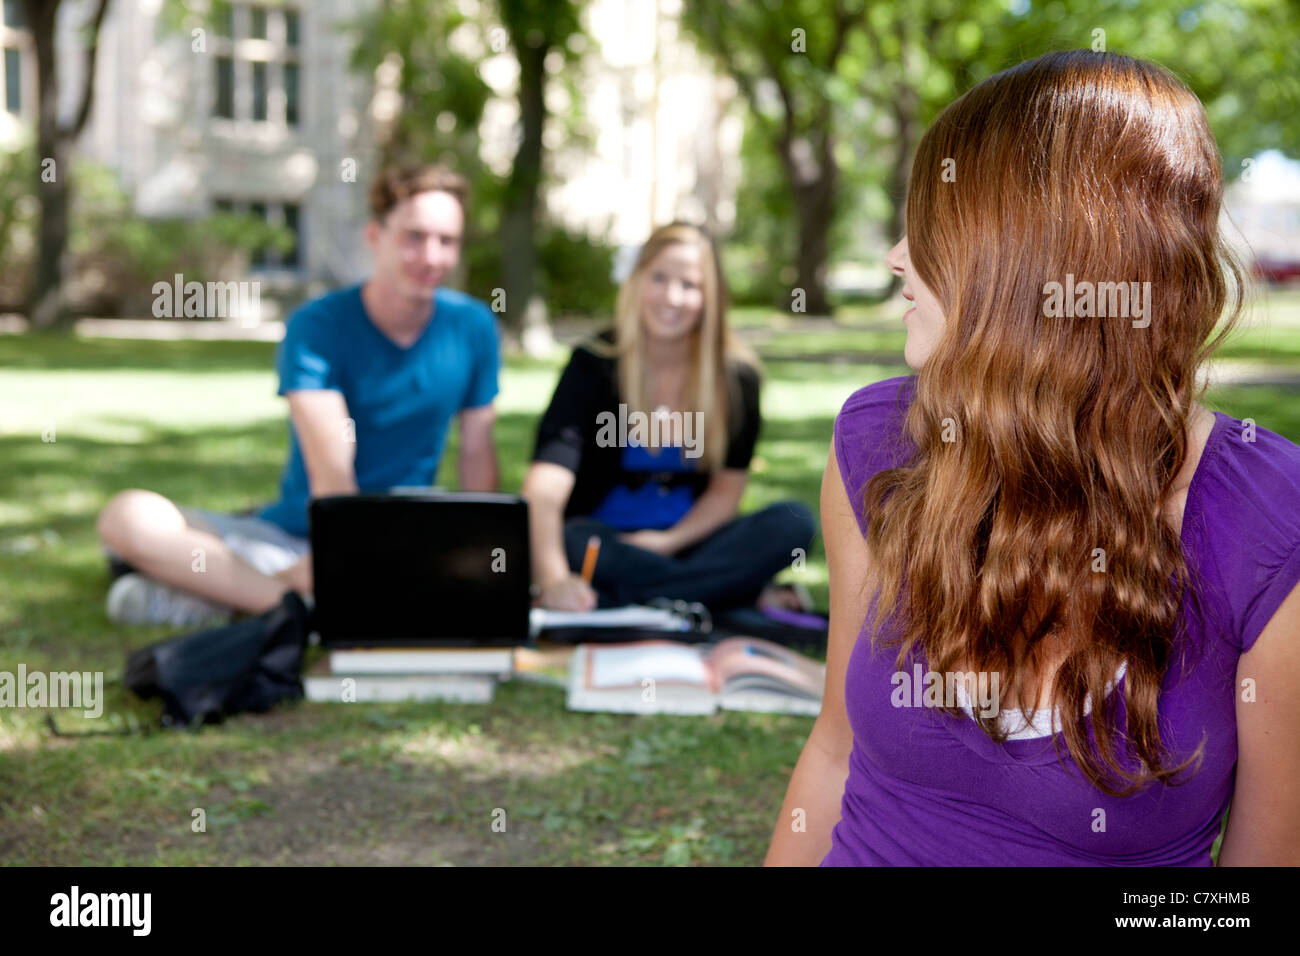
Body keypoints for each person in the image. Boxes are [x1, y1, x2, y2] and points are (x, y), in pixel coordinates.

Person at [765, 50, 1300, 866]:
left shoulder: (1266, 520)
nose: (895, 258)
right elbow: (835, 752)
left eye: (932, 230)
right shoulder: (879, 440)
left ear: (1032, 265)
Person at [97, 164, 502, 627]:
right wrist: (336, 561)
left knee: (427, 555)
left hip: (407, 534)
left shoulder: (472, 327)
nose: (431, 256)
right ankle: (291, 601)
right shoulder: (318, 325)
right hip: (301, 534)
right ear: (375, 235)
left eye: (446, 241)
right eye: (414, 236)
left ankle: (241, 597)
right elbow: (333, 470)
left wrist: (481, 553)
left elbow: (477, 459)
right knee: (127, 517)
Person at [522, 222, 815, 623]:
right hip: (604, 546)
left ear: (711, 297)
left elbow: (724, 496)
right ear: (637, 280)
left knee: (791, 524)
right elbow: (545, 489)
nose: (672, 298)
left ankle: (633, 600)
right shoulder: (593, 364)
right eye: (659, 278)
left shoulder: (738, 379)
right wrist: (554, 580)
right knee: (576, 540)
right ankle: (725, 597)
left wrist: (663, 543)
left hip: (691, 544)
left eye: (690, 285)